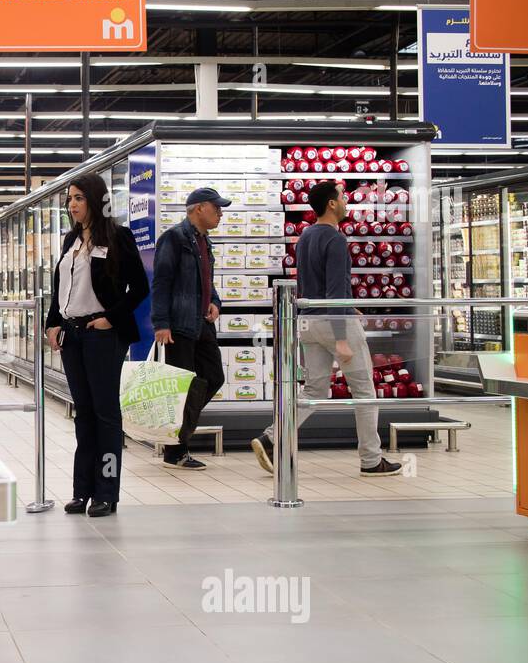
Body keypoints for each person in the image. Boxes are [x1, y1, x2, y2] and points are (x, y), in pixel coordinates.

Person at [251, 181, 402, 477]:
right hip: (336, 324)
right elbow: (335, 290)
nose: (346, 201)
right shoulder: (334, 239)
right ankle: (372, 460)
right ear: (332, 204)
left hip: (308, 321)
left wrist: (348, 306)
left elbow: (312, 285)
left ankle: (271, 437)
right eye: (343, 197)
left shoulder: (305, 236)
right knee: (364, 392)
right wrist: (342, 335)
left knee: (314, 389)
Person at [44, 173, 148, 518]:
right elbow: (61, 287)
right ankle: (81, 490)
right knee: (83, 414)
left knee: (105, 415)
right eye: (69, 199)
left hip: (103, 334)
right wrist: (53, 322)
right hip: (73, 335)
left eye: (78, 198)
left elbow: (140, 288)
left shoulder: (118, 237)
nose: (72, 205)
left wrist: (111, 318)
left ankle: (107, 491)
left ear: (96, 200)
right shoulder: (70, 240)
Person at [150, 187, 228, 471]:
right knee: (181, 388)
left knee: (213, 377)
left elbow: (208, 283)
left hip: (202, 323)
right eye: (216, 207)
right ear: (198, 208)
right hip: (179, 325)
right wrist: (161, 323)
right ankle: (176, 451)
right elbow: (161, 282)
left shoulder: (204, 242)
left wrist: (215, 302)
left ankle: (179, 434)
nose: (220, 213)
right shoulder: (174, 238)